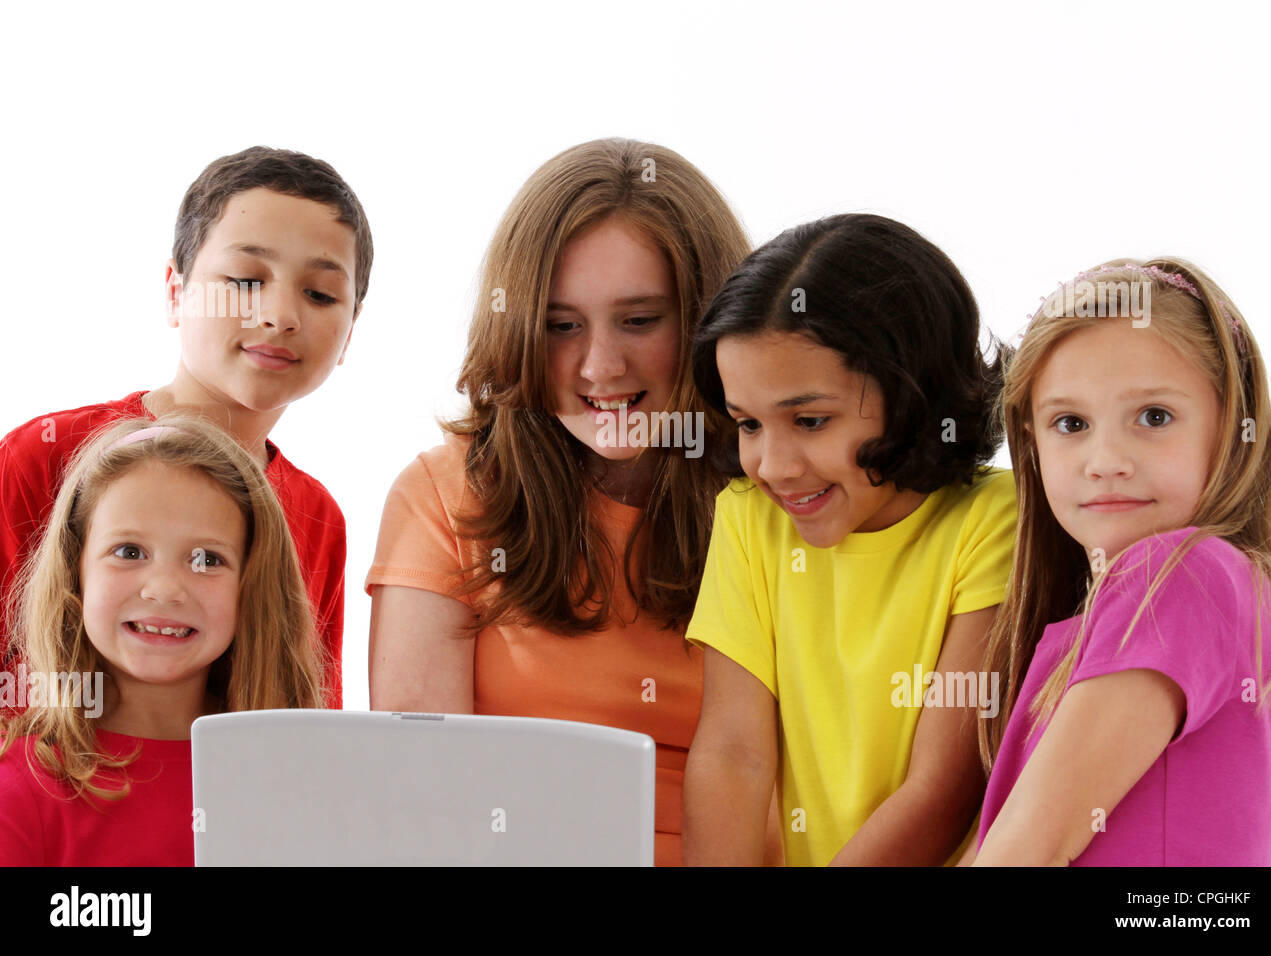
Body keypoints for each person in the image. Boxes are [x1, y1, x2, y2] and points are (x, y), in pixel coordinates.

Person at [366, 138, 762, 866]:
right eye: (560, 325)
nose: (600, 366)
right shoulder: (445, 495)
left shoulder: (780, 501)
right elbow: (421, 805)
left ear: (713, 322)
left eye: (640, 320)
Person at [683, 214, 1017, 866]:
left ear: (911, 392)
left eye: (809, 420)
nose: (773, 464)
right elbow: (733, 753)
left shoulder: (995, 519)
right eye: (748, 423)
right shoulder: (751, 518)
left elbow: (943, 790)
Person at [0, 146, 371, 707]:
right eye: (245, 280)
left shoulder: (319, 517)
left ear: (350, 331)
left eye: (319, 294)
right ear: (176, 293)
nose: (279, 316)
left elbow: (306, 726)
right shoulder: (42, 455)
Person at [972, 259, 1271, 866]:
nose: (1106, 460)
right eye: (1070, 423)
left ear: (1232, 427)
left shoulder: (1181, 575)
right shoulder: (1219, 590)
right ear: (1032, 444)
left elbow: (1023, 856)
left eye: (1153, 417)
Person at [0, 415, 324, 865]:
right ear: (75, 573)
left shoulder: (305, 783)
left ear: (253, 587)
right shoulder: (19, 791)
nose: (164, 589)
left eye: (207, 559)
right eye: (130, 552)